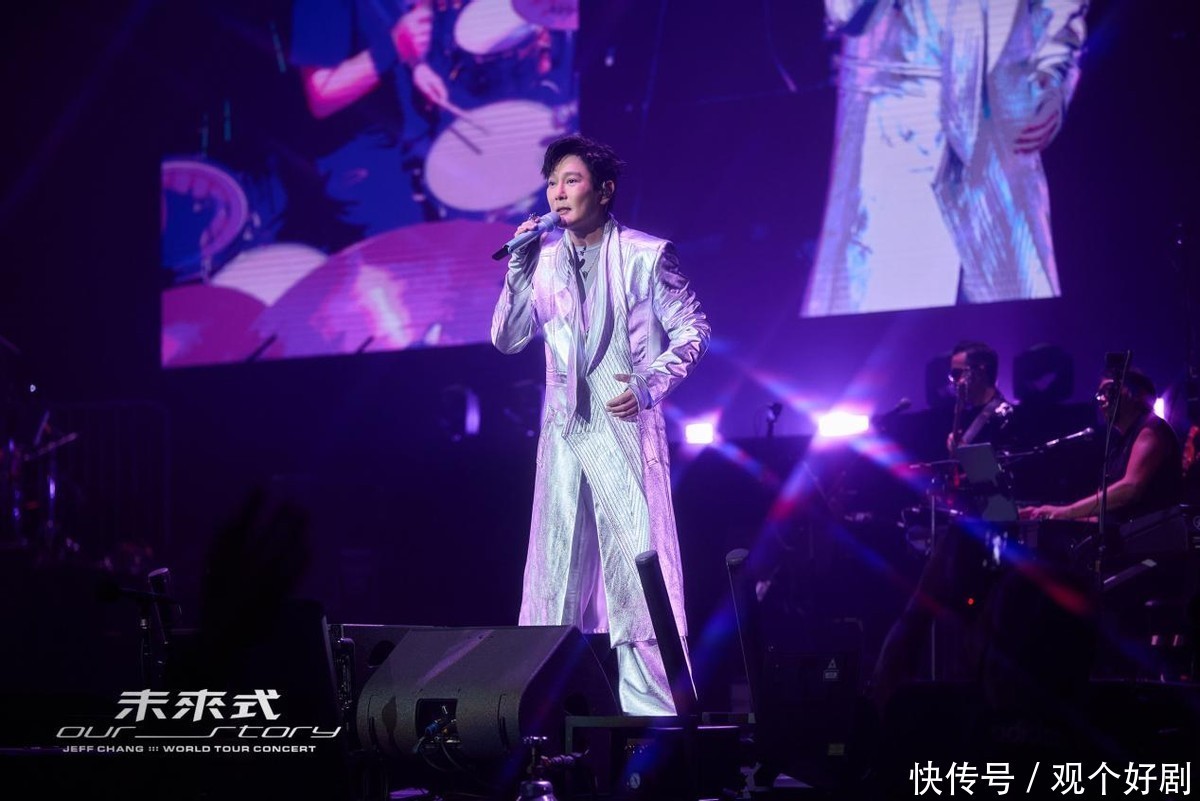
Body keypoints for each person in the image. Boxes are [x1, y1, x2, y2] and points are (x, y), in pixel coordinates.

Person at [491, 134, 710, 714]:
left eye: (571, 181)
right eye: (552, 183)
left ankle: (660, 719)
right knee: (552, 574)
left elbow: (693, 330)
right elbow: (507, 339)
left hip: (624, 430)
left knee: (639, 571)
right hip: (565, 436)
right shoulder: (540, 261)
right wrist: (517, 269)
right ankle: (534, 714)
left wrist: (649, 384)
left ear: (604, 190)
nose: (558, 193)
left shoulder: (646, 255)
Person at [802, 0, 1087, 316]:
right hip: (896, 125)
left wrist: (1054, 78)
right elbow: (844, 12)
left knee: (1014, 322)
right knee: (887, 312)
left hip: (999, 125)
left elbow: (1060, 11)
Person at [290, 0, 450, 240]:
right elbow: (320, 94)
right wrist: (393, 46)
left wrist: (416, 65)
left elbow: (382, 26)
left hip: (409, 138)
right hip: (365, 169)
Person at [1021, 368, 1182, 524]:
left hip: (1153, 540)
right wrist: (1052, 517)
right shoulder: (1120, 446)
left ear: (1136, 394)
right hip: (1129, 539)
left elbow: (1130, 489)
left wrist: (1065, 512)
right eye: (1099, 395)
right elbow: (1105, 519)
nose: (1102, 399)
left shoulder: (1152, 429)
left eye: (1109, 390)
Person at [947, 340, 1013, 455]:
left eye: (957, 374)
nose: (954, 382)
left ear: (980, 372)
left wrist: (967, 454)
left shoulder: (1006, 417)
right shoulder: (964, 417)